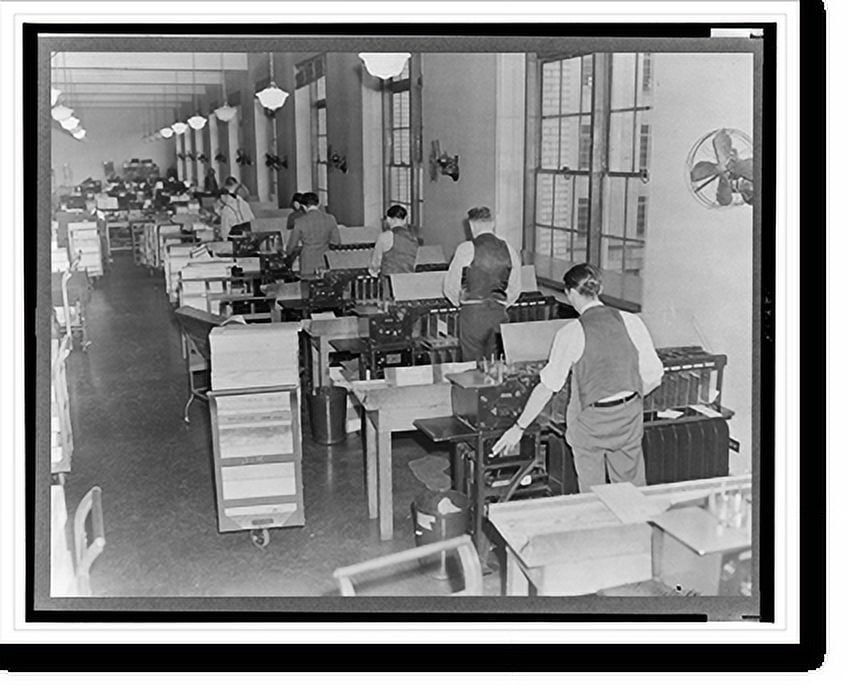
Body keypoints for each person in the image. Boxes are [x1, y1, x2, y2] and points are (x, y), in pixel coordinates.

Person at [491, 263, 664, 492]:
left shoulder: (571, 333)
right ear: (598, 290)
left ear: (570, 293)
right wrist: (627, 401)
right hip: (629, 417)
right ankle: (637, 525)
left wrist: (519, 427)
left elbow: (548, 387)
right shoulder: (632, 321)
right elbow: (654, 376)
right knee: (631, 490)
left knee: (594, 493)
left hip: (592, 421)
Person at [443, 206, 521, 361]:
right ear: (492, 224)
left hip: (472, 315)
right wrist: (500, 304)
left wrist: (462, 303)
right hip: (499, 313)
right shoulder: (509, 249)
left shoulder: (466, 249)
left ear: (472, 225)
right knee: (495, 364)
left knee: (472, 364)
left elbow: (450, 287)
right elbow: (515, 289)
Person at [285, 191, 341, 276]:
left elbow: (292, 245)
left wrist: (288, 253)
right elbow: (336, 241)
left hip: (307, 260)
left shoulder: (299, 222)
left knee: (307, 285)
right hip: (325, 258)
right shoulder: (330, 218)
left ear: (303, 206)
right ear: (318, 204)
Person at [368, 204, 419, 278]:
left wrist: (373, 271)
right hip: (409, 279)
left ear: (388, 219)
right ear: (405, 219)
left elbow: (376, 262)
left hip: (390, 280)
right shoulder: (413, 237)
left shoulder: (385, 236)